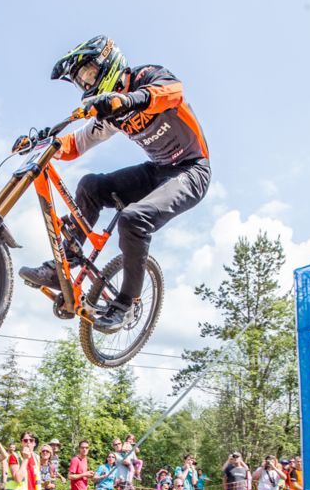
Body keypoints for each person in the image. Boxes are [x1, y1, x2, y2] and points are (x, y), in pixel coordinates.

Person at [18, 35, 211, 334]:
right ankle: (65, 264)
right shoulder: (111, 113)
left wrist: (128, 100)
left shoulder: (147, 77)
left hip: (191, 170)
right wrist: (45, 142)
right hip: (157, 170)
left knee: (134, 219)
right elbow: (77, 143)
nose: (86, 82)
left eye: (89, 73)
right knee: (90, 186)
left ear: (107, 62)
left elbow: (173, 92)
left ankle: (126, 303)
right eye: (81, 81)